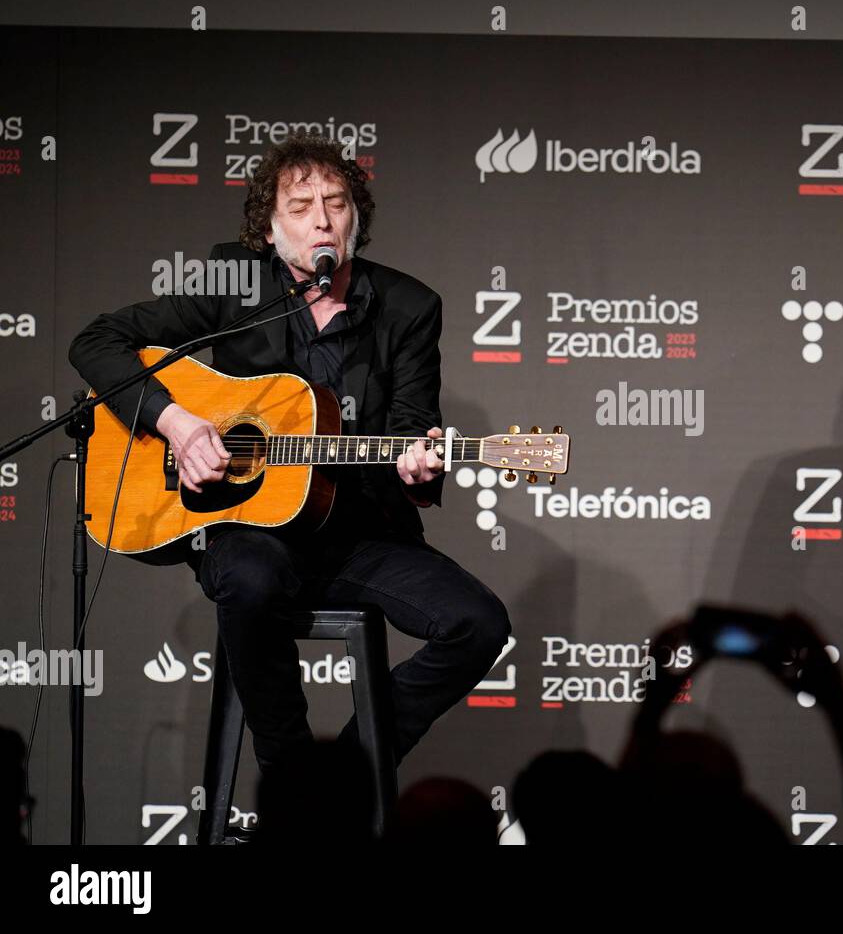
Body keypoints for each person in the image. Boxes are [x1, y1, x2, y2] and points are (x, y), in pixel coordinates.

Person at [68, 134, 511, 777]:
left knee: (478, 622)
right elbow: (98, 341)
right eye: (301, 206)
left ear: (357, 216)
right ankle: (291, 772)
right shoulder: (237, 282)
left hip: (359, 533)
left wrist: (419, 468)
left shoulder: (410, 308)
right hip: (246, 526)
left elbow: (414, 431)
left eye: (335, 203)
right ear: (270, 227)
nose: (322, 219)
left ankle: (351, 773)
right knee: (250, 578)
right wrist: (178, 423)